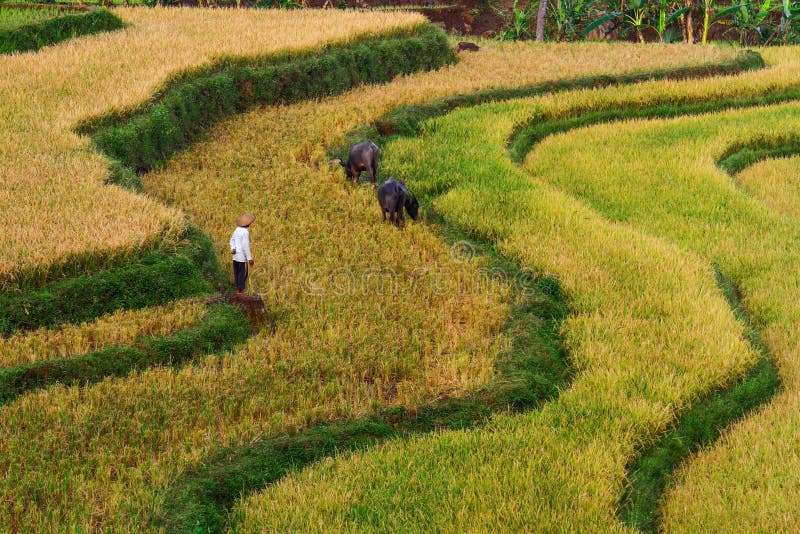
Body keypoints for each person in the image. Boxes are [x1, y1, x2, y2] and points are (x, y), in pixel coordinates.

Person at [230, 213, 255, 295]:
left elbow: (232, 240)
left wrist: (233, 248)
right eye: (250, 223)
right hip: (241, 257)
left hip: (235, 256)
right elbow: (245, 246)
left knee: (236, 272)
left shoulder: (237, 230)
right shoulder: (245, 232)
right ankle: (240, 291)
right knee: (242, 273)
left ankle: (238, 289)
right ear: (248, 224)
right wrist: (249, 258)